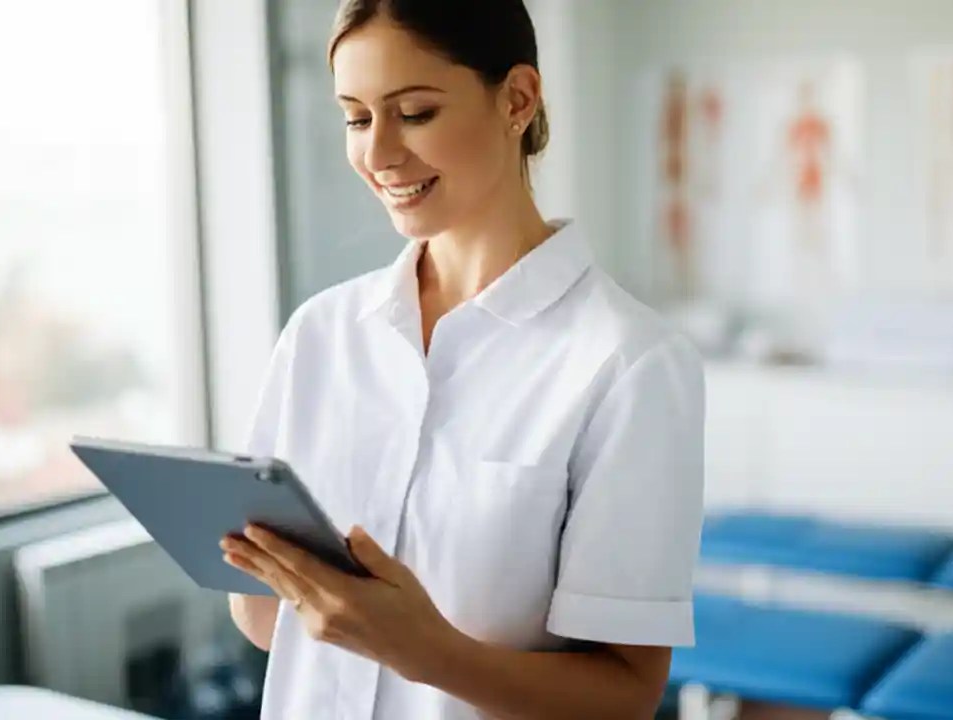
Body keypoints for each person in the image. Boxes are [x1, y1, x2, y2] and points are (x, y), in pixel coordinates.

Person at [218, 1, 706, 718]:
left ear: (517, 100)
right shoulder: (321, 334)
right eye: (356, 118)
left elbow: (625, 696)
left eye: (414, 113)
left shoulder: (630, 364)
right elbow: (264, 621)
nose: (378, 154)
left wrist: (426, 651)